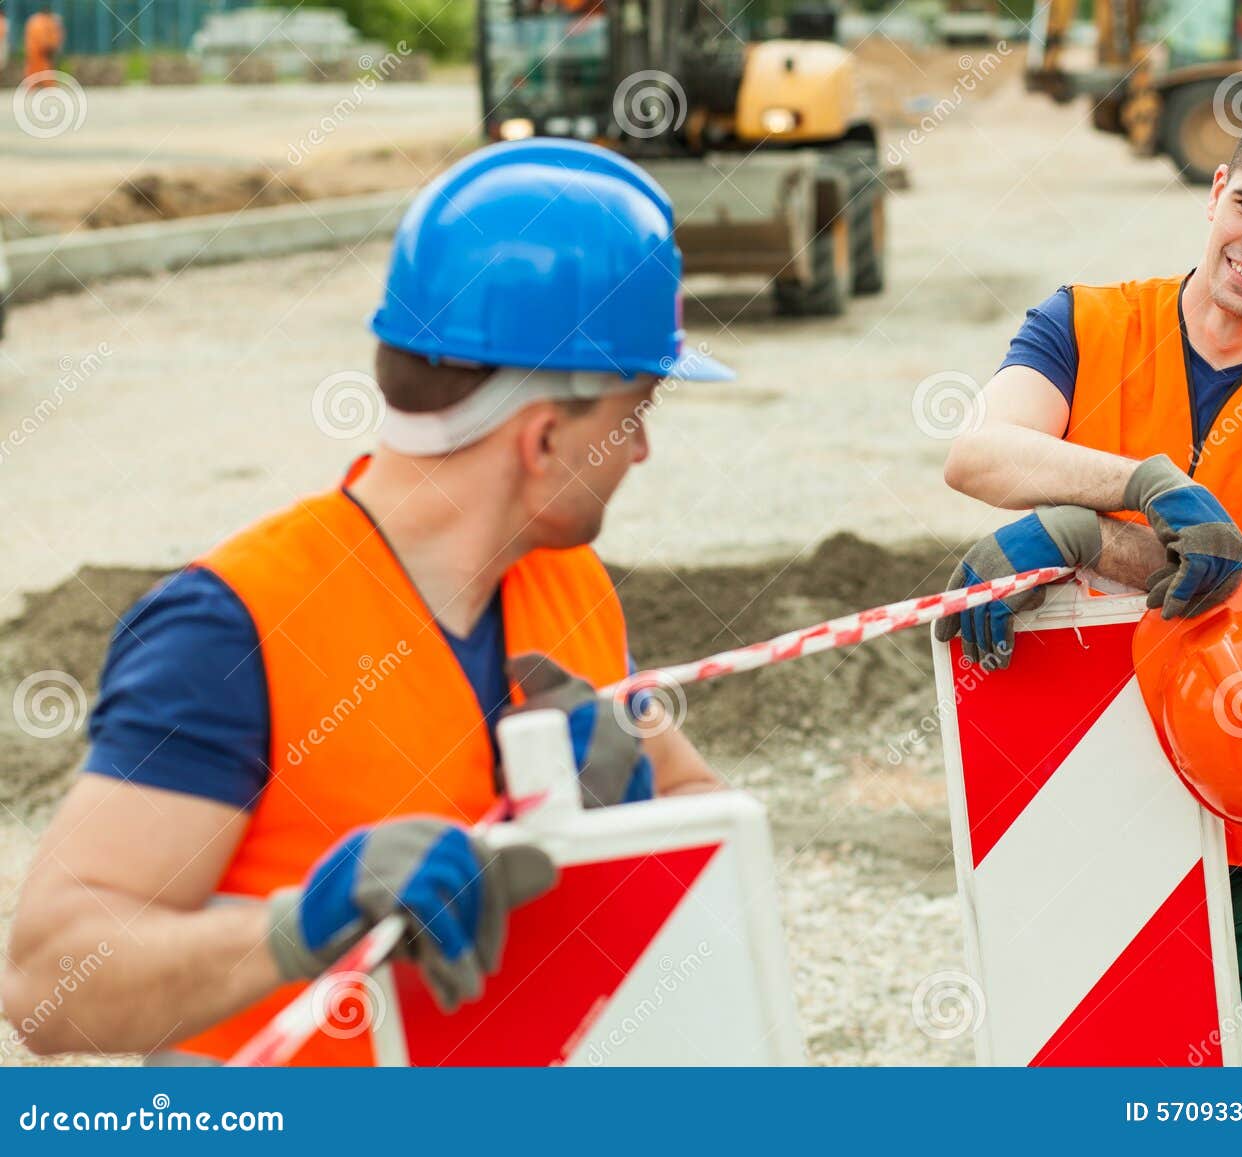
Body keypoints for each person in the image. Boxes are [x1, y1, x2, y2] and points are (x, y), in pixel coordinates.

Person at [1, 139, 731, 1065]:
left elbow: (705, 802)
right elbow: (45, 985)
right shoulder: (232, 626)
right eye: (639, 411)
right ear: (542, 437)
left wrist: (634, 826)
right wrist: (294, 929)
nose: (641, 452)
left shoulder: (568, 584)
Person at [936, 86, 1242, 1066]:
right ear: (1216, 187)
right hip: (1076, 801)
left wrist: (1082, 535)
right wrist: (1138, 485)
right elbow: (979, 451)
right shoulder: (1083, 321)